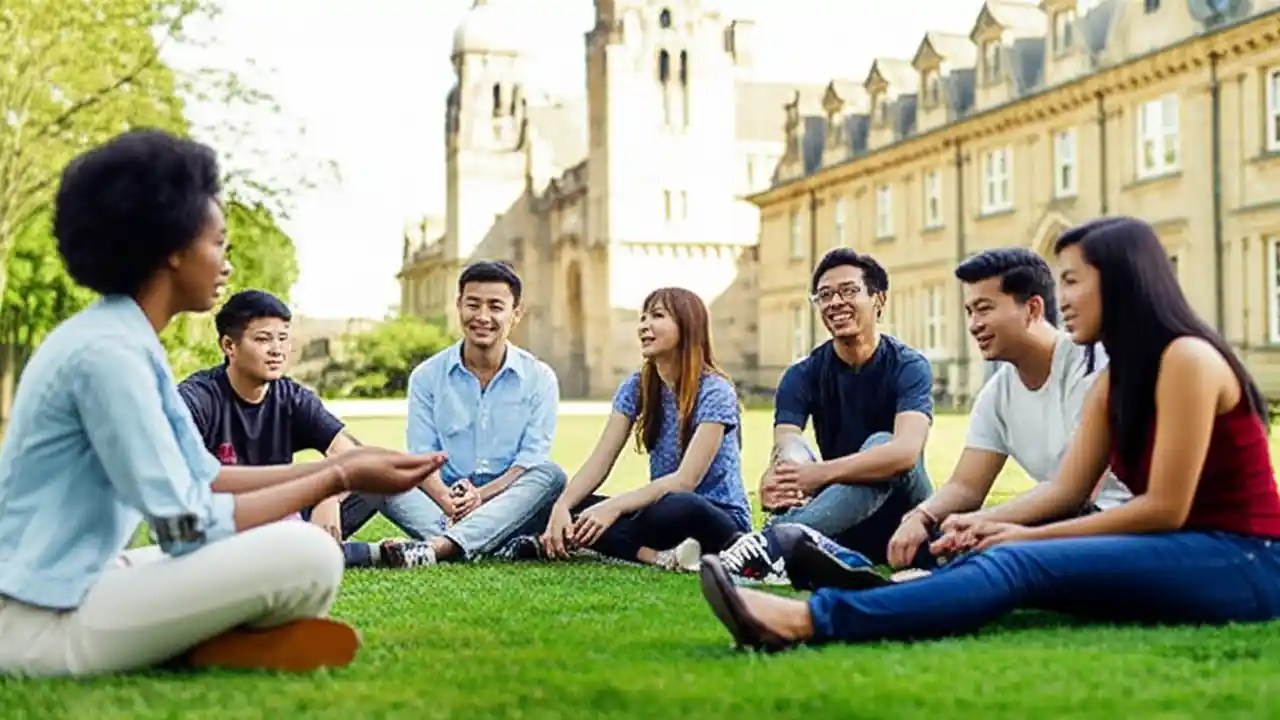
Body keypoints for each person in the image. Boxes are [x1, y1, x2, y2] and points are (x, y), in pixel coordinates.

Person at [696, 215, 1280, 652]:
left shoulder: (1187, 360)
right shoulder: (1114, 382)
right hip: (1171, 552)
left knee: (1014, 565)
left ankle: (805, 621)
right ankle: (872, 589)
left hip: (1244, 559)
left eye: (1074, 281)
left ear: (1124, 280)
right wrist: (988, 523)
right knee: (988, 556)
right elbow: (1059, 490)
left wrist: (1020, 538)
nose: (1063, 298)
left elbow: (1166, 509)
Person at [0, 130, 445, 677]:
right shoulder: (107, 355)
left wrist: (342, 466)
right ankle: (196, 644)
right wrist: (333, 479)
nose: (227, 265)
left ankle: (201, 643)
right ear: (173, 250)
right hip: (32, 622)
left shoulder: (126, 339)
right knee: (309, 555)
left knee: (295, 547)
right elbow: (187, 525)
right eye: (218, 244)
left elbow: (203, 475)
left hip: (79, 583)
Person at [778, 248, 1135, 589]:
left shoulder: (1089, 365)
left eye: (984, 309)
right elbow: (966, 487)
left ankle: (786, 551)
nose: (974, 325)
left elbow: (1074, 493)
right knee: (950, 541)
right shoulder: (997, 395)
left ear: (1032, 308)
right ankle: (847, 567)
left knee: (983, 551)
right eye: (969, 312)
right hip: (1068, 522)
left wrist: (981, 521)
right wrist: (922, 517)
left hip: (1117, 524)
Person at [178, 290, 456, 568]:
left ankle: (453, 539)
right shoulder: (198, 398)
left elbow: (349, 454)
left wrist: (328, 494)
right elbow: (188, 483)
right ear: (229, 346)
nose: (277, 349)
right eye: (263, 339)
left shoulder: (291, 397)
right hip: (227, 518)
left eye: (283, 338)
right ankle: (374, 553)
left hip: (288, 514)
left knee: (375, 470)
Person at [714, 248, 935, 582]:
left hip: (907, 516)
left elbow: (905, 454)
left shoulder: (909, 366)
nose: (835, 302)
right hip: (842, 518)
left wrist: (819, 475)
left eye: (848, 291)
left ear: (878, 299)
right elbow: (788, 447)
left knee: (882, 443)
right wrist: (778, 482)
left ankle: (774, 542)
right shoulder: (801, 375)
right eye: (824, 295)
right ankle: (833, 556)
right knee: (799, 461)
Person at [505, 287, 752, 571]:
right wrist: (562, 505)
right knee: (555, 504)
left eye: (657, 316)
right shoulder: (638, 386)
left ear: (687, 326)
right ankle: (658, 556)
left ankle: (613, 544)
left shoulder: (715, 391)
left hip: (713, 517)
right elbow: (600, 462)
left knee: (678, 504)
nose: (644, 326)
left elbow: (685, 481)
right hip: (659, 516)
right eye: (643, 317)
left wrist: (614, 507)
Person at [377, 260, 567, 567]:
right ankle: (492, 543)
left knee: (551, 474)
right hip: (444, 507)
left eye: (495, 307)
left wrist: (481, 496)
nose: (482, 317)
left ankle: (438, 548)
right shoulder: (427, 376)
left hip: (509, 500)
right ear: (458, 306)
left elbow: (528, 461)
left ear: (516, 314)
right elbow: (422, 457)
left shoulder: (539, 378)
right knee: (377, 472)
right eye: (473, 305)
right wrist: (450, 502)